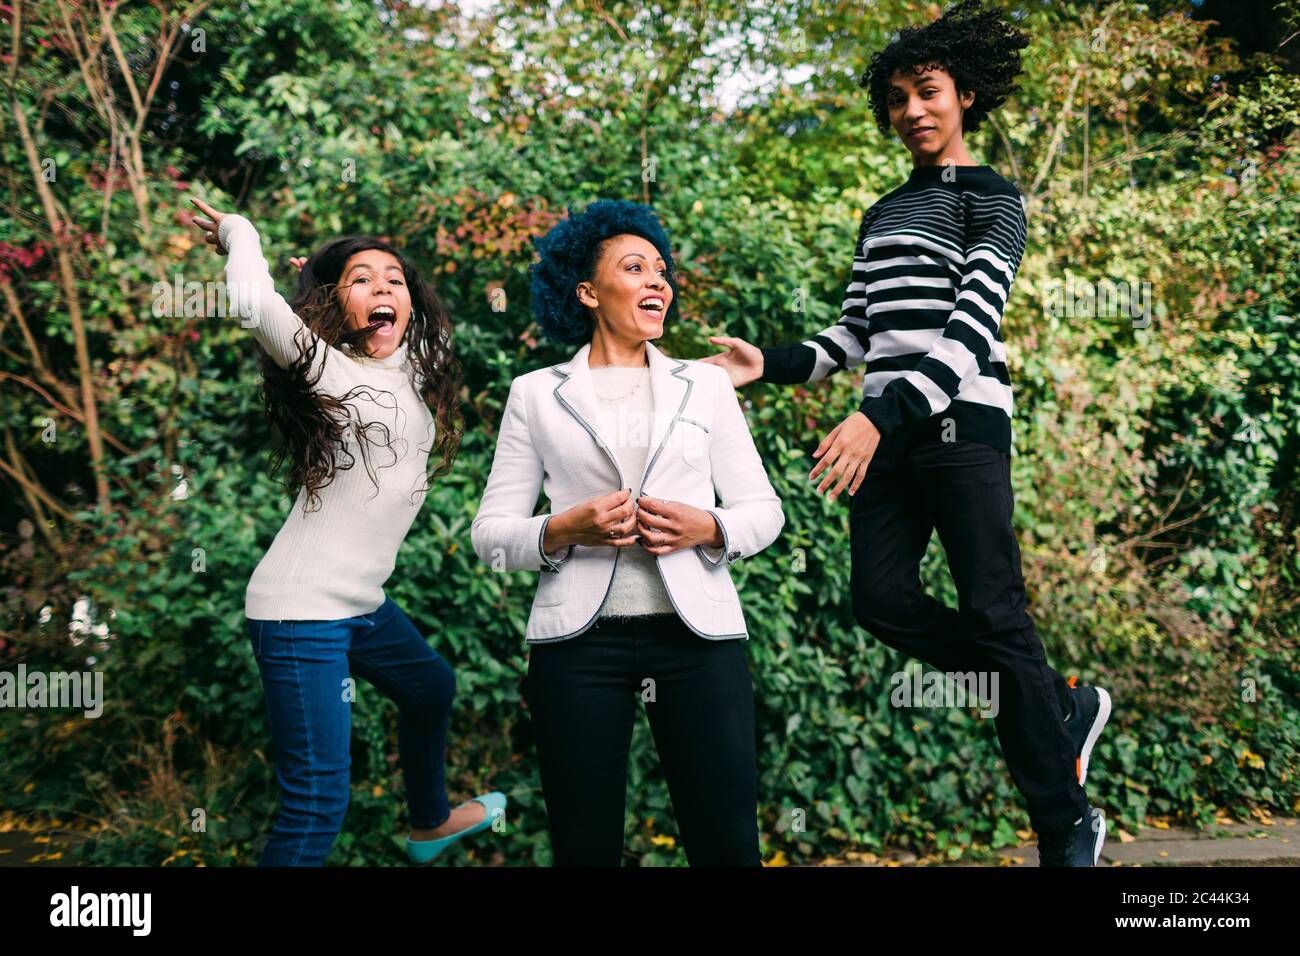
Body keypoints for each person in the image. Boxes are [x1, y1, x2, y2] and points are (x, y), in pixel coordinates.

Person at [701, 0, 1112, 867]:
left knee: (992, 612)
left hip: (960, 423)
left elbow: (968, 331)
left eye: (926, 92)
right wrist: (766, 364)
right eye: (896, 98)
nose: (912, 110)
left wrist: (876, 416)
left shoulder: (994, 198)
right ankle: (1052, 702)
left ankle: (1064, 821)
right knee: (879, 599)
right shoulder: (883, 209)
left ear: (964, 94)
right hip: (884, 429)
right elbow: (856, 336)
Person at [189, 197, 504, 866]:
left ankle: (429, 822)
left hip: (362, 606)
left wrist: (334, 288)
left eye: (394, 280)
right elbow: (251, 303)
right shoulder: (321, 368)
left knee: (430, 687)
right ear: (338, 307)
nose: (385, 289)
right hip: (300, 612)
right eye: (363, 280)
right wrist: (238, 231)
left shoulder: (414, 369)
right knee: (316, 806)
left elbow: (429, 330)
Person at [470, 199, 785, 865]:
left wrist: (711, 526)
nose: (657, 282)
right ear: (587, 291)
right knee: (585, 849)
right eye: (635, 267)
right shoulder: (534, 393)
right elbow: (491, 535)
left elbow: (765, 510)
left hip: (698, 643)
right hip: (578, 650)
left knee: (728, 848)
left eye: (662, 271)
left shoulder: (706, 387)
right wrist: (562, 529)